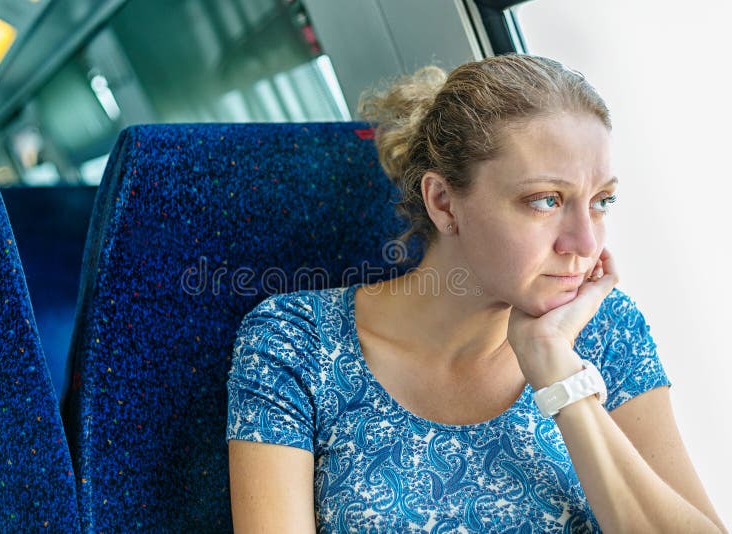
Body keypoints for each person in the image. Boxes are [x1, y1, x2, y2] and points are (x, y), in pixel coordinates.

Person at [226, 54, 727, 532]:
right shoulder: (296, 342)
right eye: (546, 200)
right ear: (444, 202)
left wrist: (558, 374)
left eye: (601, 201)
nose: (586, 243)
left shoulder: (605, 328)